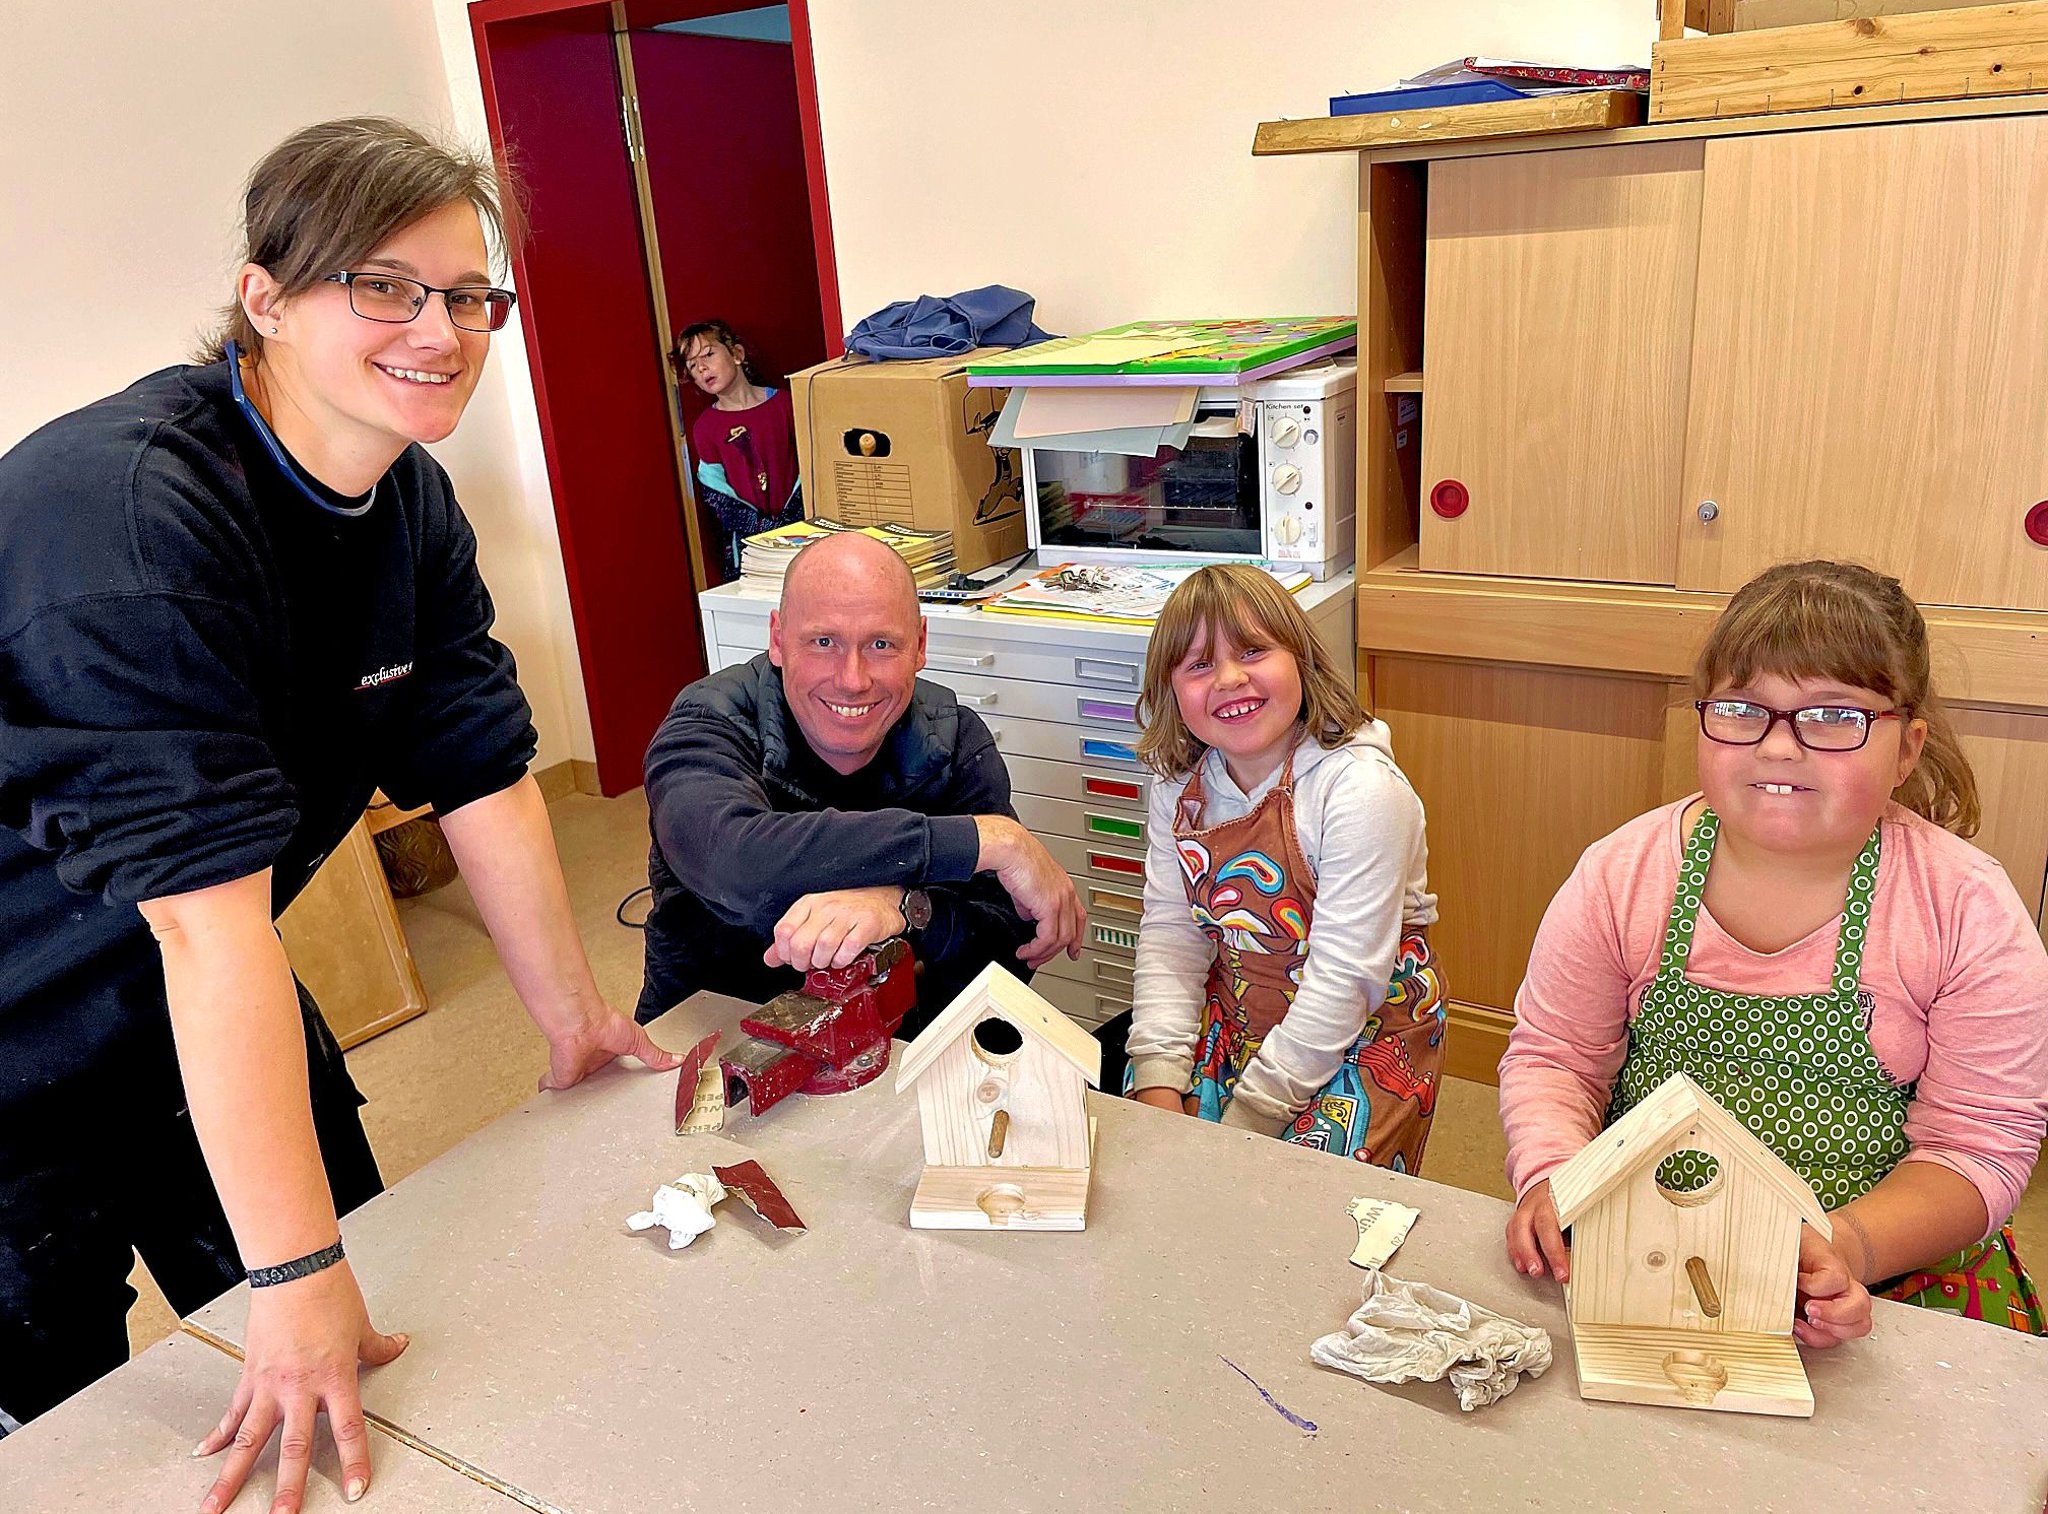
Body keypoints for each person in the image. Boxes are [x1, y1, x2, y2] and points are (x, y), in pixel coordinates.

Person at [0, 118, 681, 1505]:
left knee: (363, 1353)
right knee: (89, 1423)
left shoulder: (405, 496)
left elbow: (480, 762)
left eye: (468, 294)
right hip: (22, 1044)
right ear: (266, 296)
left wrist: (574, 1020)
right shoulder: (129, 521)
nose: (441, 329)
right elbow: (201, 927)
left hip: (207, 983)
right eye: (385, 285)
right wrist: (295, 1272)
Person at [1500, 560, 2048, 1342]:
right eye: (1743, 709)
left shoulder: (1966, 909)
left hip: (1885, 1265)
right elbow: (1556, 1059)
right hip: (1654, 1243)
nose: (1781, 747)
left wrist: (1847, 1246)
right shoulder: (1623, 875)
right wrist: (1559, 1175)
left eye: (1834, 717)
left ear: (1906, 747)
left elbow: (1978, 1148)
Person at [638, 530, 1083, 1037]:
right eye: (823, 642)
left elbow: (1013, 953)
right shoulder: (707, 724)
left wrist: (906, 907)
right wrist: (985, 840)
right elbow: (736, 861)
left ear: (919, 646)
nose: (853, 679)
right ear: (778, 639)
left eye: (881, 644)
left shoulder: (953, 739)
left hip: (891, 1051)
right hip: (710, 1037)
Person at [1123, 564, 1445, 1167]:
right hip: (1239, 1009)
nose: (1229, 678)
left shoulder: (1361, 789)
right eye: (1198, 664)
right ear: (1170, 691)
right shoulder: (1178, 787)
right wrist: (1159, 1078)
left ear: (1300, 658)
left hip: (1361, 1030)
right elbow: (1173, 936)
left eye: (1253, 650)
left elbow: (1346, 979)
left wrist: (1249, 1119)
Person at [675, 319, 802, 579]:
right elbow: (717, 494)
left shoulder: (785, 404)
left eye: (709, 355)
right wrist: (762, 528)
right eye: (692, 366)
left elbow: (811, 467)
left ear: (736, 354)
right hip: (749, 548)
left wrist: (791, 521)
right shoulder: (705, 428)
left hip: (801, 533)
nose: (701, 368)